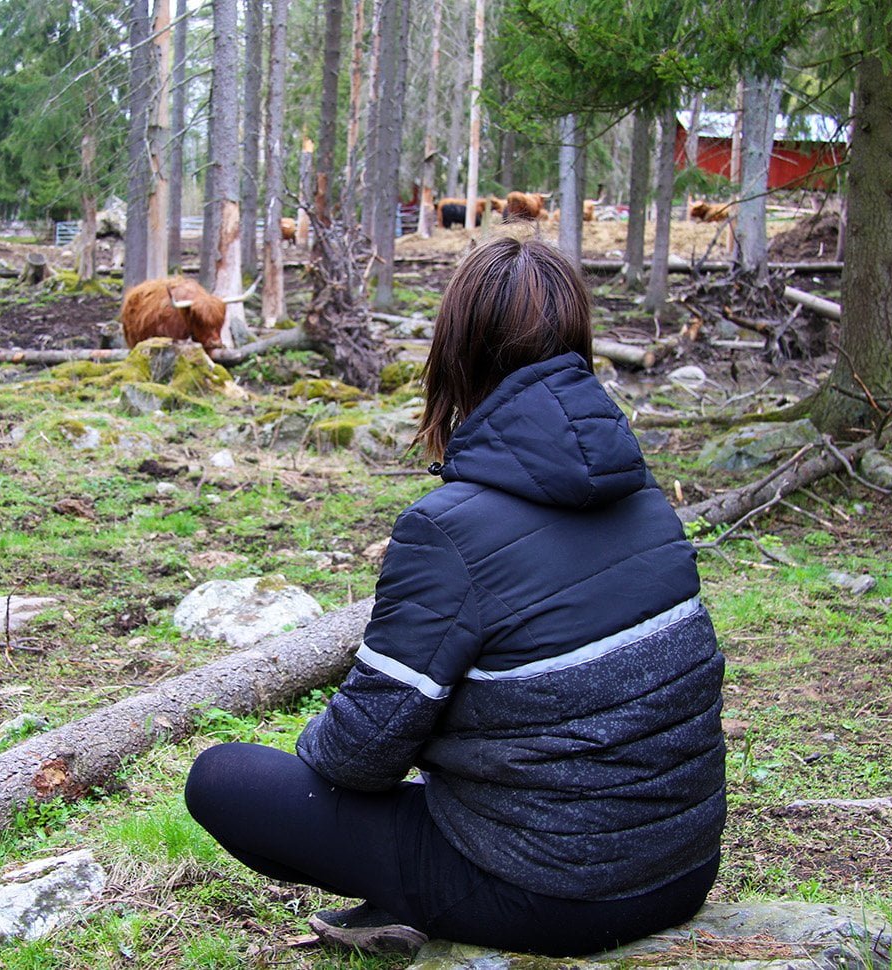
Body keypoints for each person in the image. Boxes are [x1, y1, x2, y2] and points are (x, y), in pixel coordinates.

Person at [184, 235, 725, 957]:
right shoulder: (649, 504)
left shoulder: (446, 531)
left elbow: (356, 756)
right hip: (681, 870)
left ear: (456, 353)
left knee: (222, 779)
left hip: (551, 895)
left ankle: (423, 902)